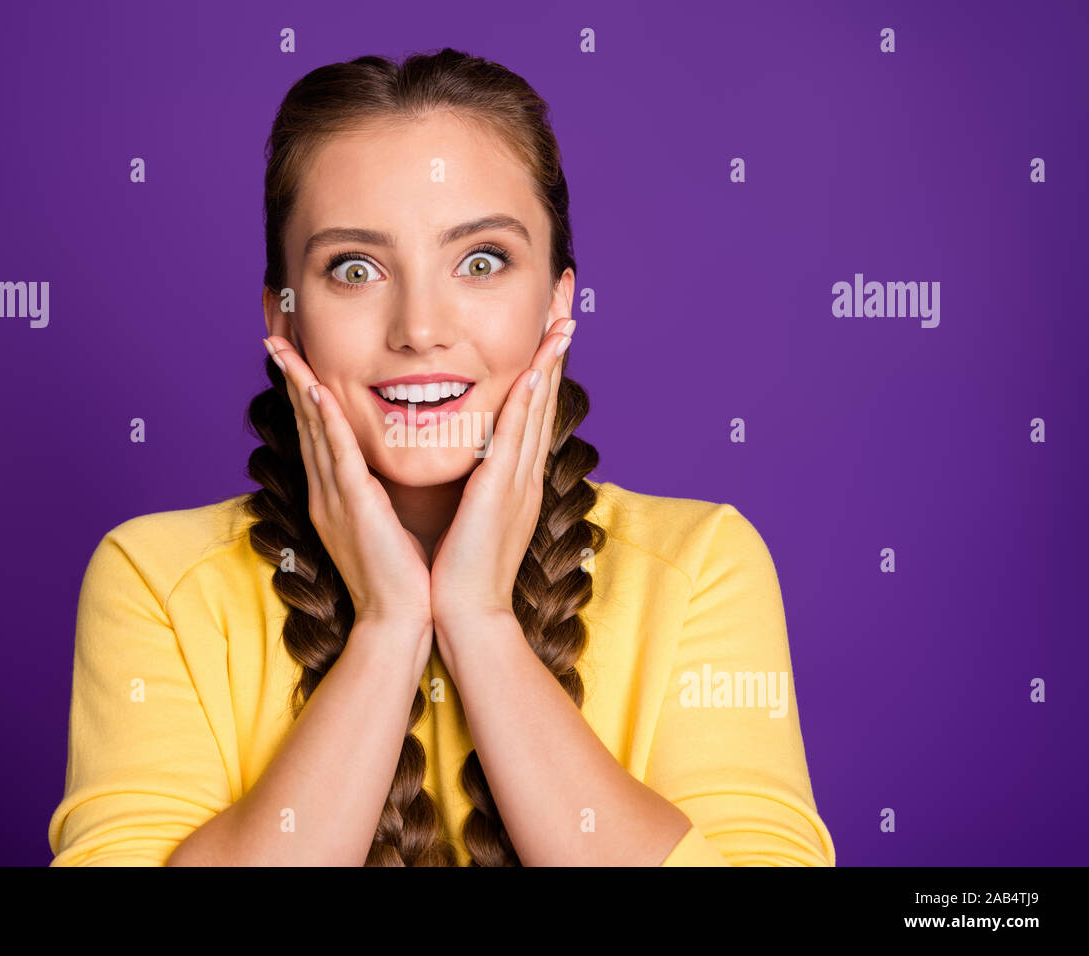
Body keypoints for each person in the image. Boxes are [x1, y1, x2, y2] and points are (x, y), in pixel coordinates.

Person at [47, 48, 836, 867]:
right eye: (354, 269)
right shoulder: (153, 579)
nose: (420, 327)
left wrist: (480, 625)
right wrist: (388, 631)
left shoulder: (702, 565)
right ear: (283, 319)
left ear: (558, 302)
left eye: (481, 260)